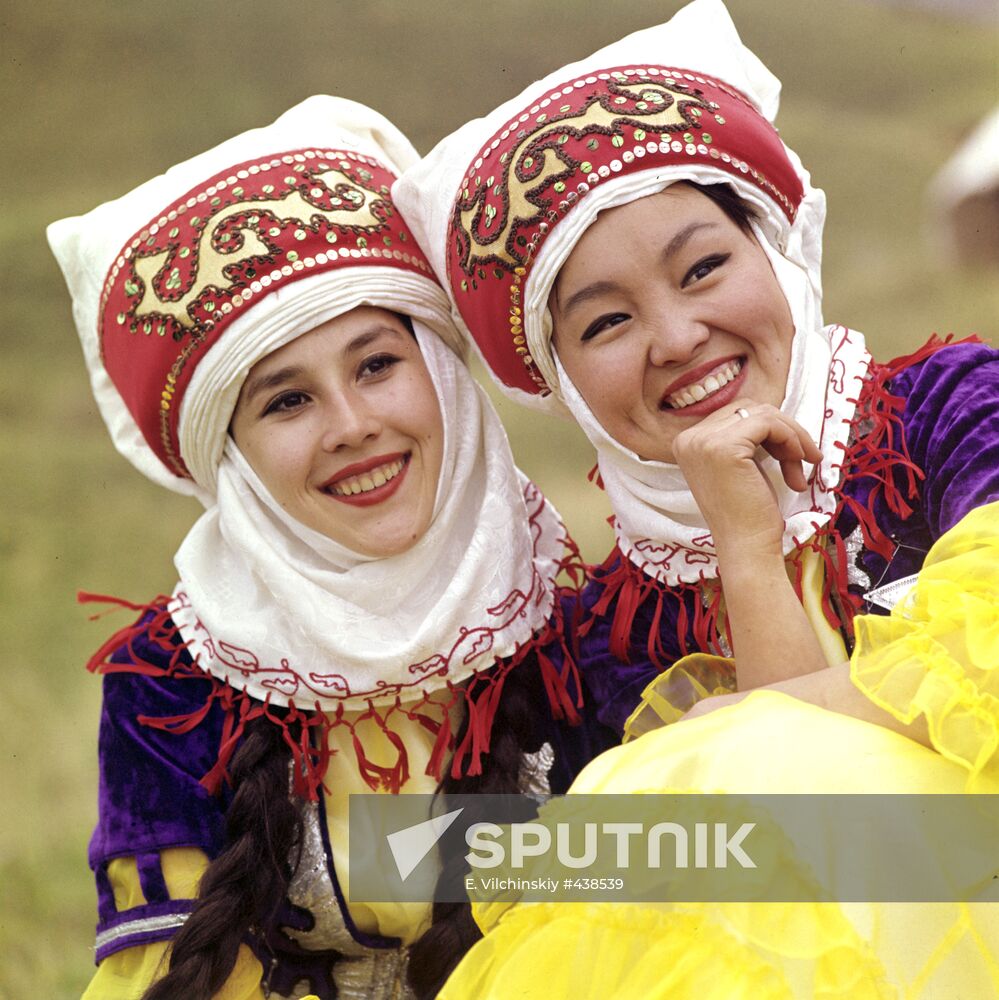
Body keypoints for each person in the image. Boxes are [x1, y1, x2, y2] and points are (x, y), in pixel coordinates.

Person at [395, 0, 999, 995]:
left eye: (705, 267)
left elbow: (853, 778)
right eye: (605, 323)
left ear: (780, 251)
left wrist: (751, 568)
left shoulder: (959, 415)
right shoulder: (594, 644)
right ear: (564, 381)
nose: (675, 338)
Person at [49, 96, 611, 1000]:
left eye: (377, 364)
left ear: (445, 377)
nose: (352, 426)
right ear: (227, 455)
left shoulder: (583, 626)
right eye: (286, 401)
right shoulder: (173, 682)